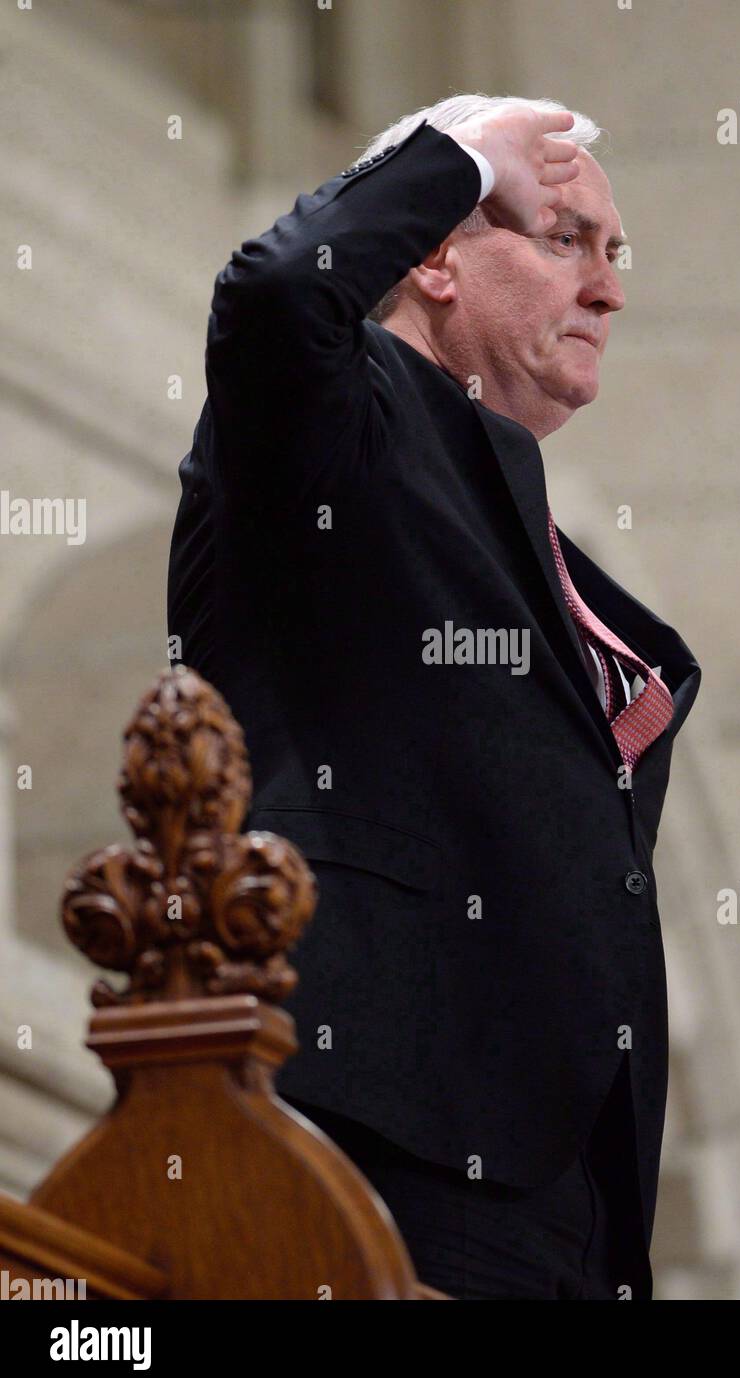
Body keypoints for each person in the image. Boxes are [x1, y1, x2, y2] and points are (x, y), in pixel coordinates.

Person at [167, 94, 701, 1300]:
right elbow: (273, 297)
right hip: (366, 1131)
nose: (609, 290)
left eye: (613, 255)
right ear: (431, 255)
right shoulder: (334, 424)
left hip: (568, 1208)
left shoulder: (556, 563)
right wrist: (452, 157)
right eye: (562, 237)